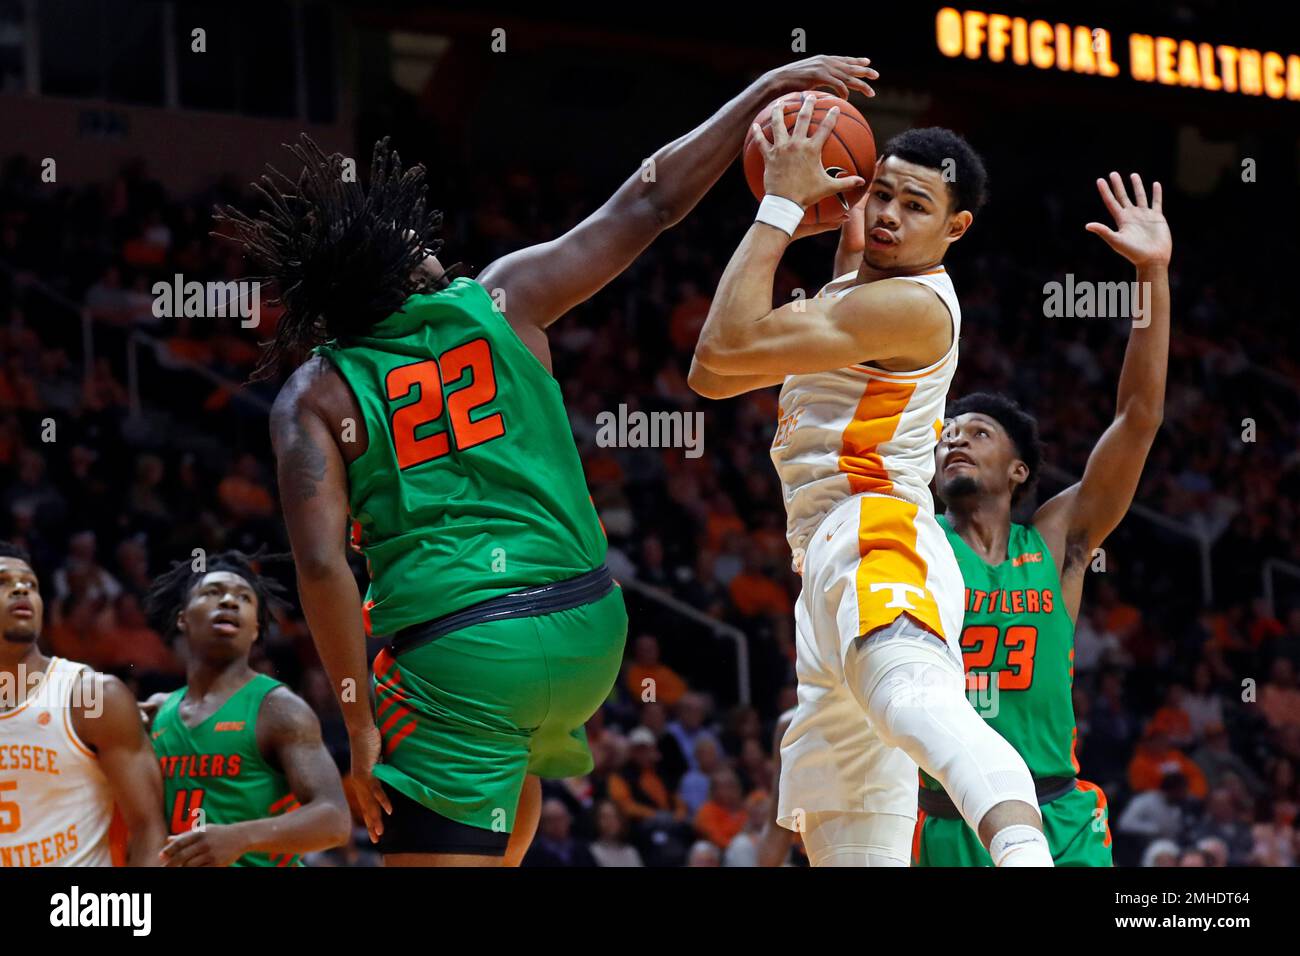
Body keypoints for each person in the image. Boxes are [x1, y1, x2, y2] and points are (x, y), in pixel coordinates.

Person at [221, 54, 878, 868]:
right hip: (586, 629)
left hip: (464, 650)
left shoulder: (313, 395)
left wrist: (356, 722)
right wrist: (763, 92)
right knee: (511, 770)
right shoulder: (505, 296)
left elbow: (322, 568)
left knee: (449, 748)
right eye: (412, 241)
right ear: (388, 271)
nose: (430, 244)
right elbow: (652, 200)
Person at [691, 113, 1048, 866]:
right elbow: (720, 369)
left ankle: (1026, 857)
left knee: (917, 702)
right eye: (880, 194)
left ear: (956, 228)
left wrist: (780, 206)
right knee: (850, 830)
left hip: (876, 533)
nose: (888, 214)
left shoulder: (909, 306)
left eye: (915, 206)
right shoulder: (863, 273)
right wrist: (796, 106)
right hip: (823, 560)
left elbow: (715, 356)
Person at [914, 172, 1171, 866]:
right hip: (948, 820)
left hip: (1059, 814)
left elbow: (1138, 419)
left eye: (978, 432)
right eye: (948, 433)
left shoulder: (1057, 541)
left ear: (1019, 471)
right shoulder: (915, 536)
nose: (955, 439)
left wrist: (1151, 275)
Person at [142, 550, 350, 866]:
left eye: (244, 598)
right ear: (183, 617)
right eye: (213, 593)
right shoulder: (158, 712)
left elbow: (335, 820)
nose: (229, 601)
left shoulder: (278, 708)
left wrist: (240, 837)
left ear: (255, 629)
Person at [0, 541, 166, 866]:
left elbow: (149, 830)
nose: (21, 589)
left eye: (30, 584)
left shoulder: (92, 697)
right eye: (3, 582)